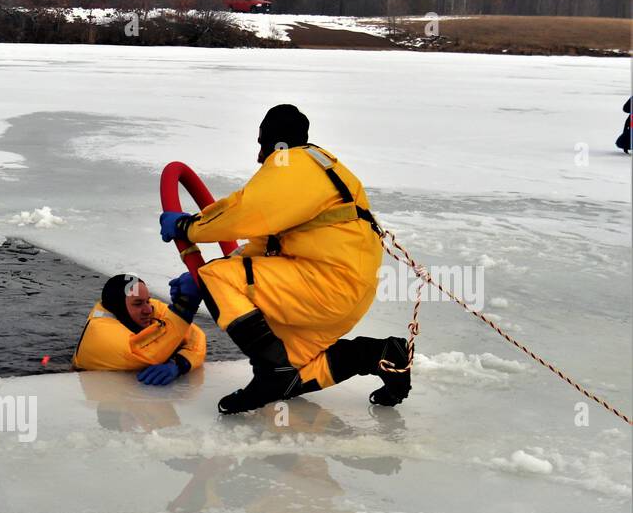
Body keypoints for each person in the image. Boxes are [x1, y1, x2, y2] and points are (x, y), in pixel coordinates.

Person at [160, 104, 410, 414]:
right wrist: (201, 279)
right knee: (296, 372)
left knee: (217, 277)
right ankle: (381, 354)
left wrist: (188, 227)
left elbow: (246, 211)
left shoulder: (290, 163)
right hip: (346, 292)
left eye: (260, 145)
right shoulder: (322, 167)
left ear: (272, 140)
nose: (258, 157)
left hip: (323, 285)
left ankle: (270, 370)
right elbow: (265, 242)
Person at [72, 273, 206, 386]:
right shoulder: (101, 333)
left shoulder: (135, 308)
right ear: (119, 307)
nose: (148, 309)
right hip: (103, 388)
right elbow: (145, 353)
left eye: (147, 301)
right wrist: (185, 305)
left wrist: (180, 362)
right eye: (138, 303)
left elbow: (196, 334)